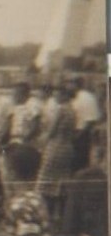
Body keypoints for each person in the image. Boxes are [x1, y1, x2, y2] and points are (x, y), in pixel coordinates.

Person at [37, 85, 77, 220]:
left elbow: (51, 131)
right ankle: (59, 214)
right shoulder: (72, 110)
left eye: (58, 95)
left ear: (65, 95)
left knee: (45, 182)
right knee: (61, 182)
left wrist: (42, 142)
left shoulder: (61, 109)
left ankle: (47, 215)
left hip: (56, 147)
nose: (55, 98)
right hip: (67, 147)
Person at [70, 76, 101, 172]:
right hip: (71, 132)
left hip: (81, 133)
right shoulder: (73, 97)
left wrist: (77, 136)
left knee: (80, 161)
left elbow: (90, 121)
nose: (69, 86)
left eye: (72, 83)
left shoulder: (87, 98)